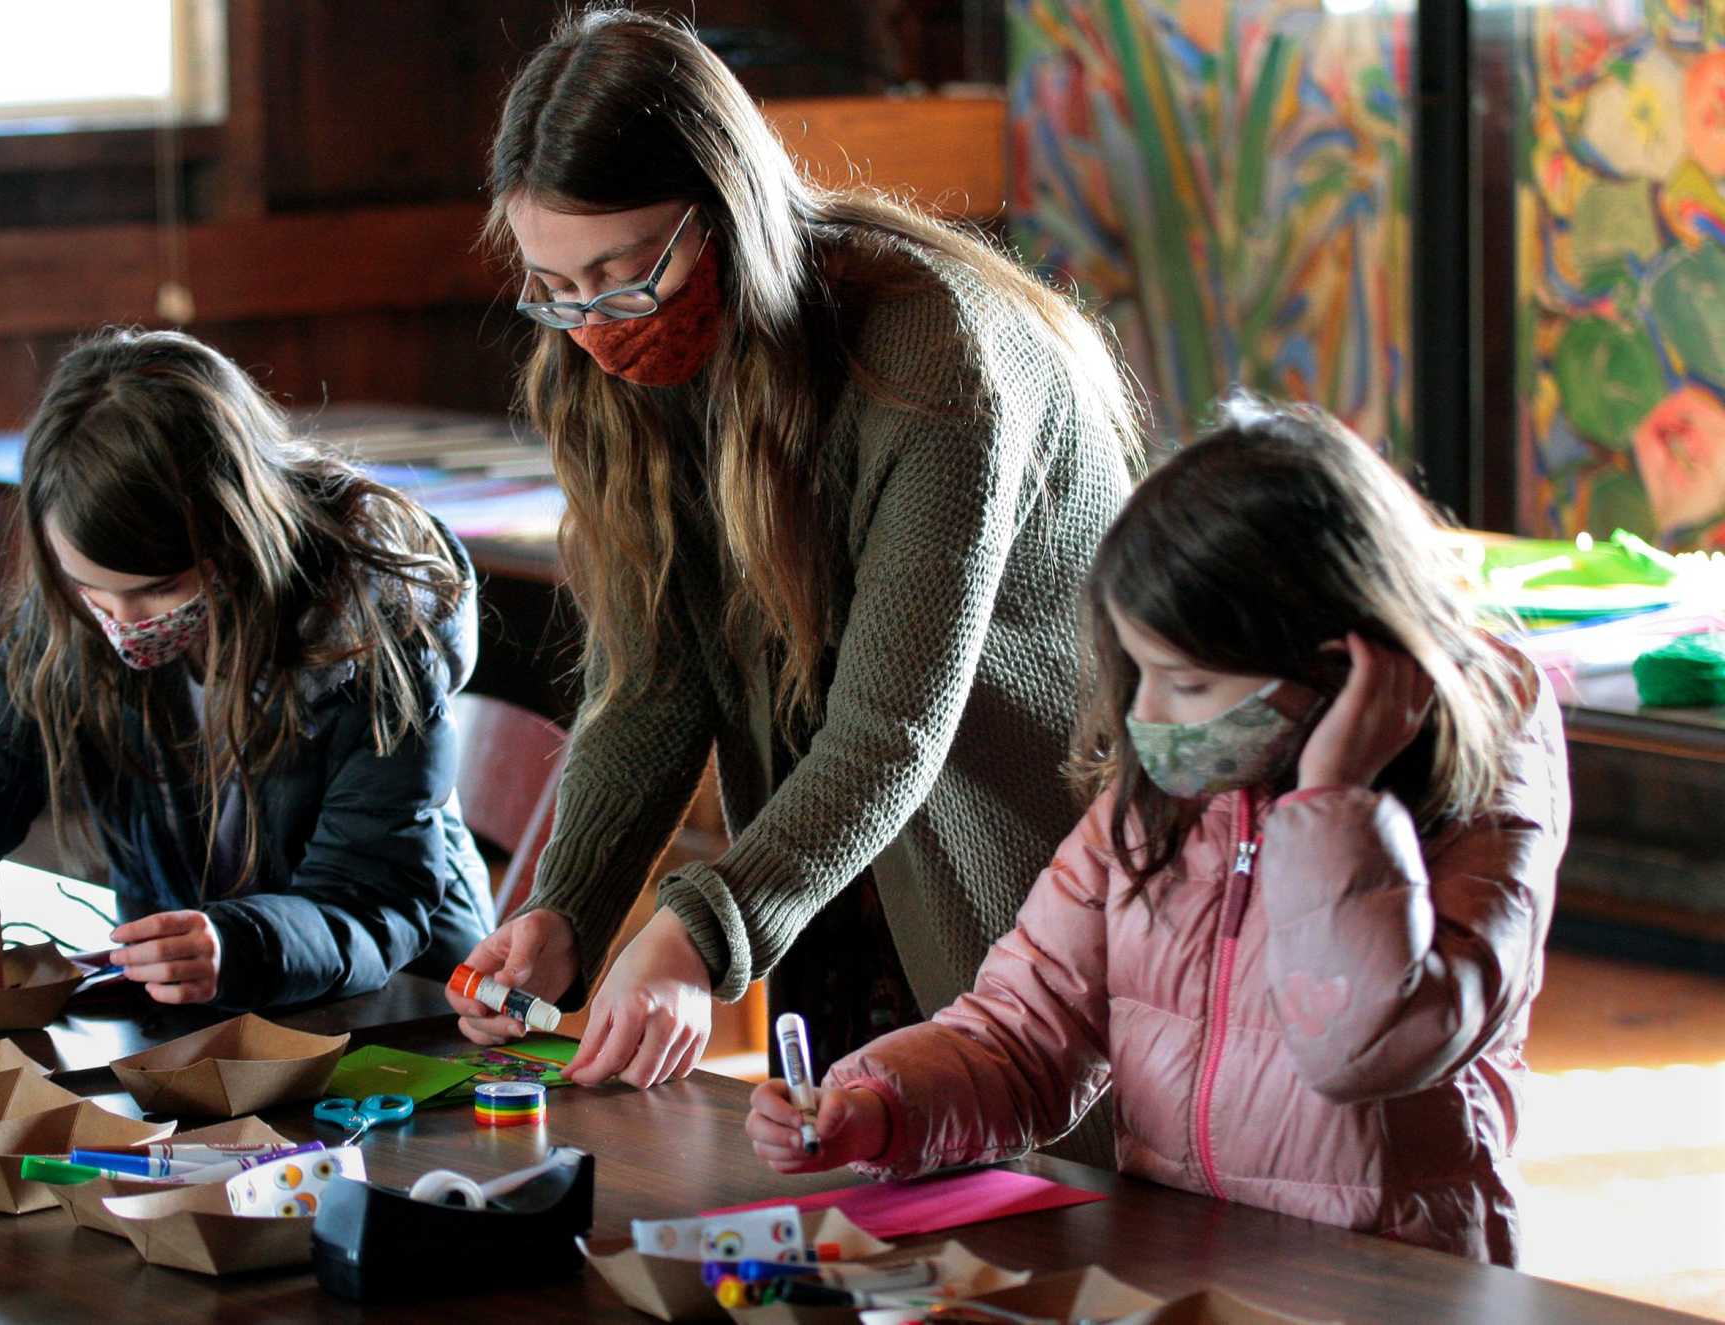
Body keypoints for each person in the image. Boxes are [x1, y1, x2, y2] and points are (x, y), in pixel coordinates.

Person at [447, 5, 1140, 1158]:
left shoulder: (933, 349)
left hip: (1011, 852)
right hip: (839, 876)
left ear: (727, 210)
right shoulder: (609, 370)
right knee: (846, 1201)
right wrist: (564, 909)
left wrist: (696, 932)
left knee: (1036, 1218)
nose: (594, 332)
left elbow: (887, 730)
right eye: (553, 290)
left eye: (622, 275)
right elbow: (649, 680)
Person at [746, 398, 1572, 1265]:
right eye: (1138, 673)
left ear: (1337, 663)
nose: (1144, 718)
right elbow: (1024, 1034)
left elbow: (1367, 1045)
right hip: (1188, 1266)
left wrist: (1335, 799)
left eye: (1184, 684)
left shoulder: (1478, 780)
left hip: (1389, 1285)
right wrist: (876, 1107)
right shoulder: (1168, 798)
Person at [0, 329, 493, 1009]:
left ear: (238, 529)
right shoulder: (75, 624)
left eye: (159, 589)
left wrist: (238, 945)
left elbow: (372, 902)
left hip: (406, 1010)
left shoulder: (371, 634)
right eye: (90, 588)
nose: (122, 621)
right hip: (195, 1016)